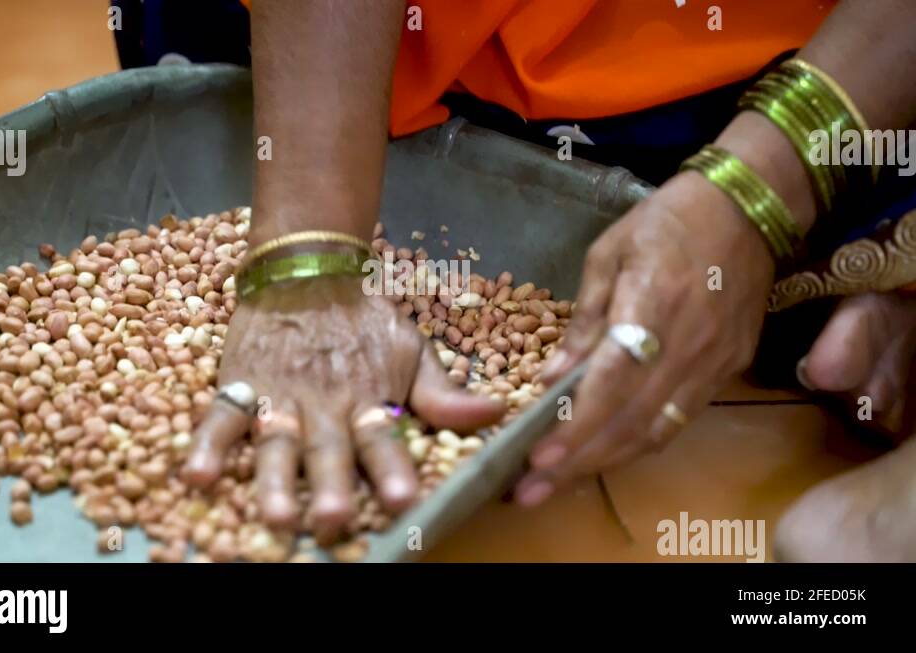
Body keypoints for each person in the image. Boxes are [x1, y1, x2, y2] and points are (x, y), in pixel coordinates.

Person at [113, 1, 916, 557]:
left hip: (767, 64)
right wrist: (309, 247)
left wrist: (756, 192)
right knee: (219, 100)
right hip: (355, 42)